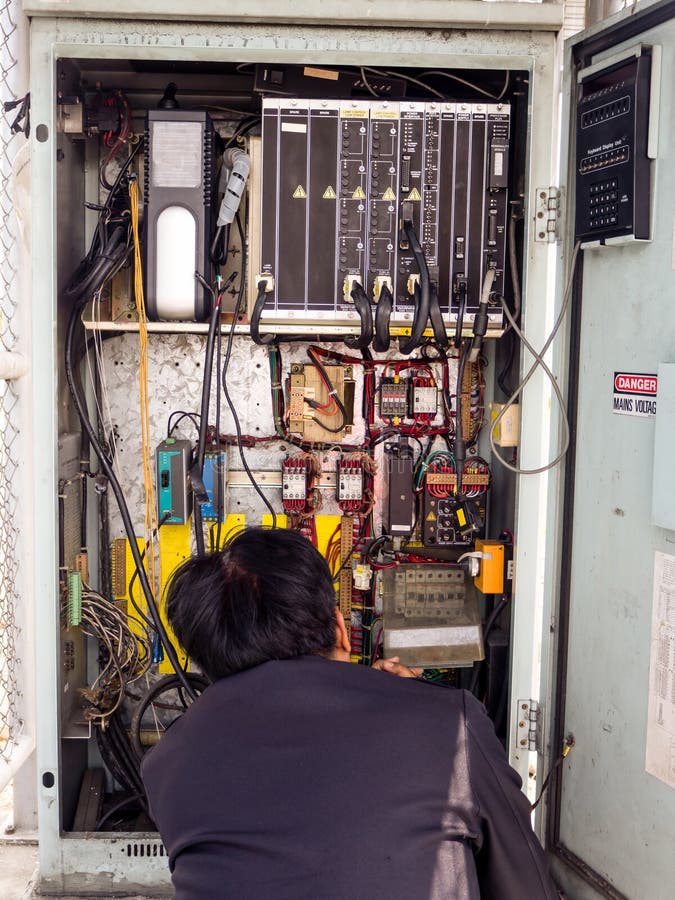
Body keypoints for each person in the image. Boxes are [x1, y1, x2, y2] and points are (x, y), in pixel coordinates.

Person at [141, 526, 559, 899]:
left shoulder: (167, 762)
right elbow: (527, 886)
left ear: (207, 660)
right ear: (342, 629)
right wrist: (413, 710)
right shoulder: (449, 727)